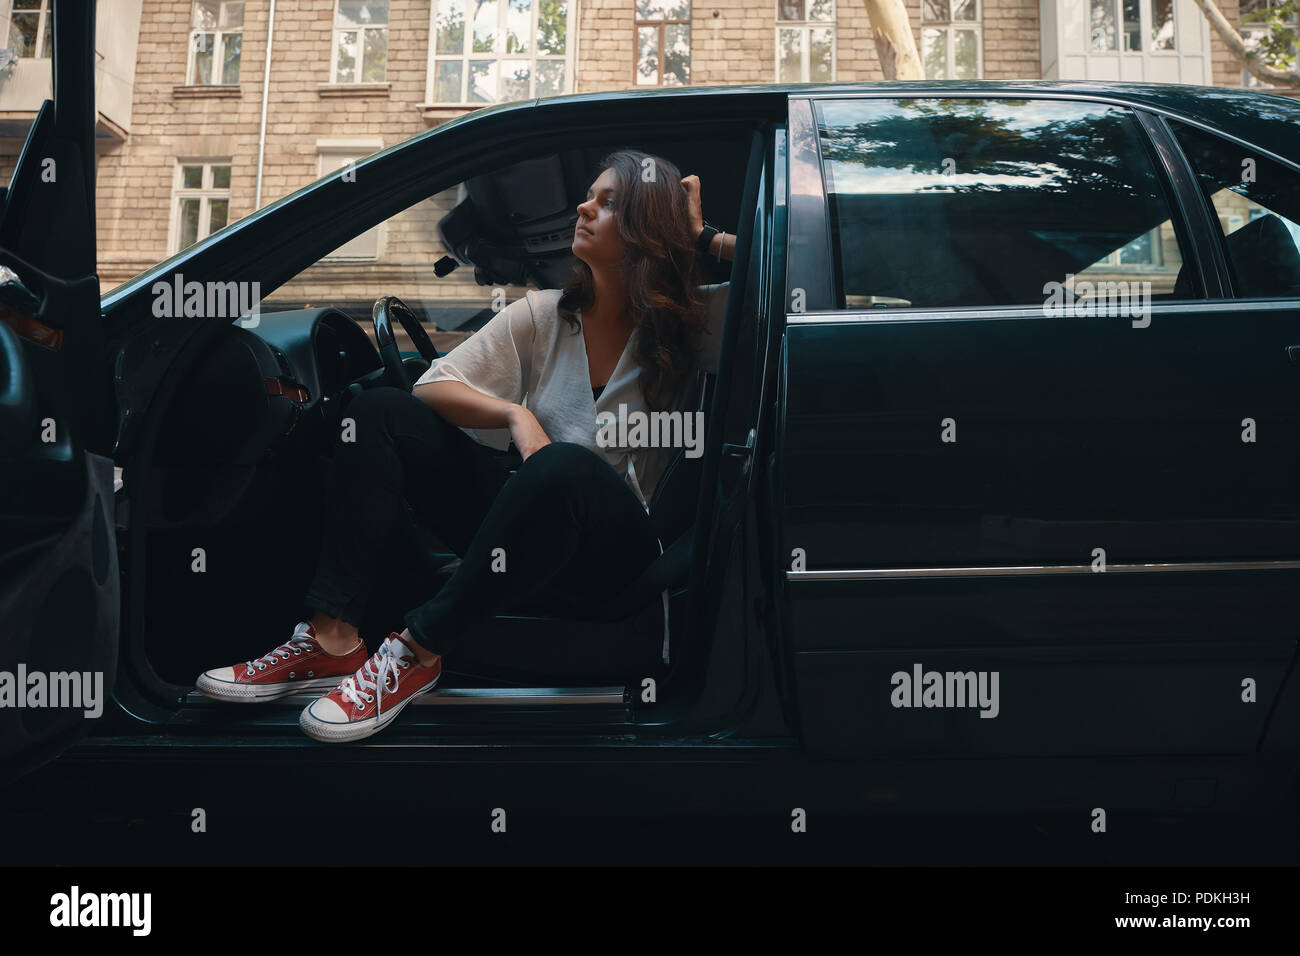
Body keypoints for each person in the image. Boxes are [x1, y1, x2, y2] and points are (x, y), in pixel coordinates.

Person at [194, 149, 737, 743]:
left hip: (617, 560)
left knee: (562, 464)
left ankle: (415, 651)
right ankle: (332, 640)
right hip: (533, 541)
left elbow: (797, 276)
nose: (583, 209)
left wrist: (702, 236)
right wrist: (515, 414)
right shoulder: (544, 314)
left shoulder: (694, 321)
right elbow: (433, 387)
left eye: (607, 204)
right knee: (379, 411)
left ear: (646, 229)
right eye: (589, 196)